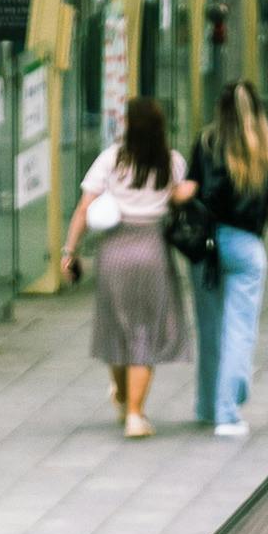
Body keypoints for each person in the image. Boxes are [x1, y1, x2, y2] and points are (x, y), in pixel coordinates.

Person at [60, 95, 191, 434]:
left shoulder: (111, 159)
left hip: (114, 252)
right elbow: (179, 198)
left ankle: (122, 396)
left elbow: (84, 208)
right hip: (153, 251)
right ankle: (135, 413)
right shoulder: (172, 162)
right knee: (145, 330)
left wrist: (69, 250)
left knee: (117, 327)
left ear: (128, 124)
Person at [187, 81, 268, 429]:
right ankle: (228, 412)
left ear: (219, 109)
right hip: (246, 248)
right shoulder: (264, 150)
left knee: (209, 329)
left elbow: (190, 190)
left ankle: (207, 406)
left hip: (205, 247)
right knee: (239, 330)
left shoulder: (205, 144)